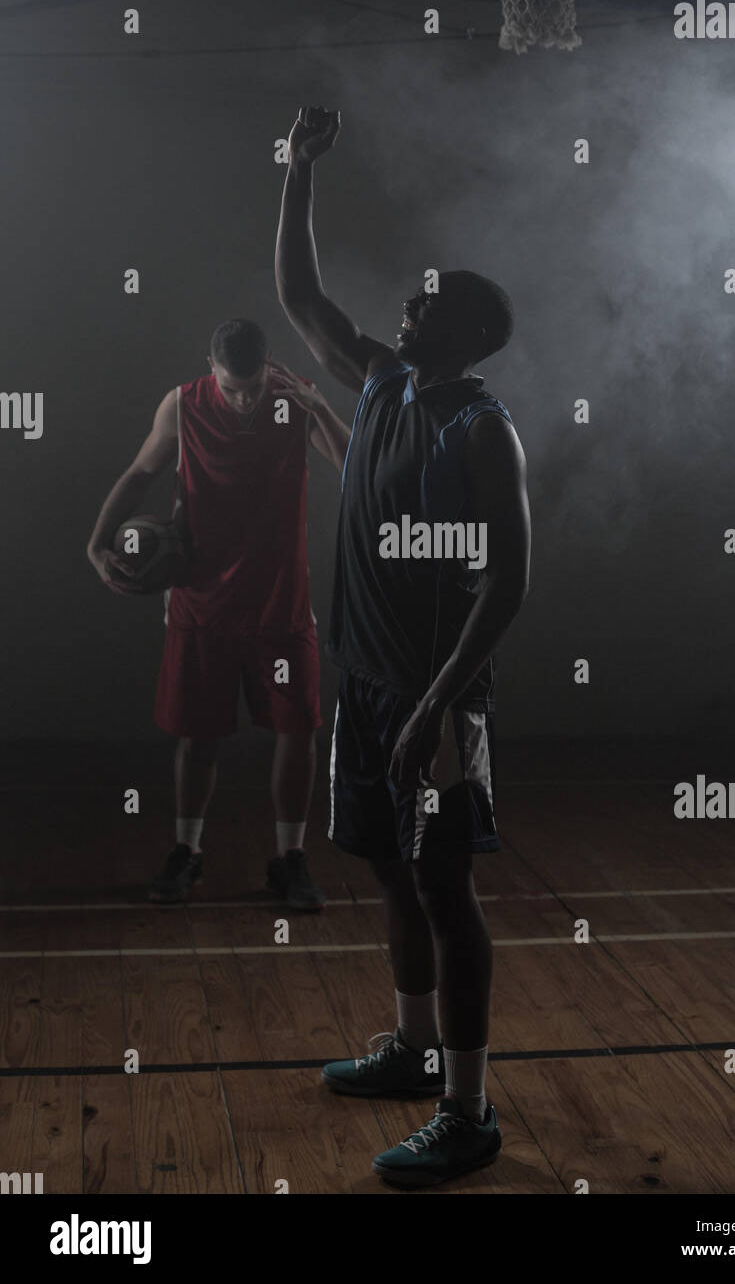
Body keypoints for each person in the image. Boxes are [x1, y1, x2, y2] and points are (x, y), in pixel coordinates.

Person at [275, 106, 531, 1187]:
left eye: (431, 300)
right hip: (369, 688)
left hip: (437, 701)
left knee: (442, 888)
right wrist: (297, 169)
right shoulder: (380, 381)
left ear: (465, 335)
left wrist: (435, 706)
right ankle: (414, 1046)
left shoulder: (481, 429)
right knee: (386, 868)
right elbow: (300, 297)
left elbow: (507, 581)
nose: (409, 299)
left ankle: (467, 1110)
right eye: (415, 293)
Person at [87, 319, 351, 909]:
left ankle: (290, 859)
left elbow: (354, 466)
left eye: (253, 385)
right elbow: (139, 474)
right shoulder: (183, 406)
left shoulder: (291, 401)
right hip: (202, 601)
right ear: (211, 368)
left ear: (268, 367)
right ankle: (188, 852)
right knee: (198, 735)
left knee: (297, 730)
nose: (245, 397)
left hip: (281, 603)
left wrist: (320, 408)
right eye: (233, 388)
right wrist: (97, 542)